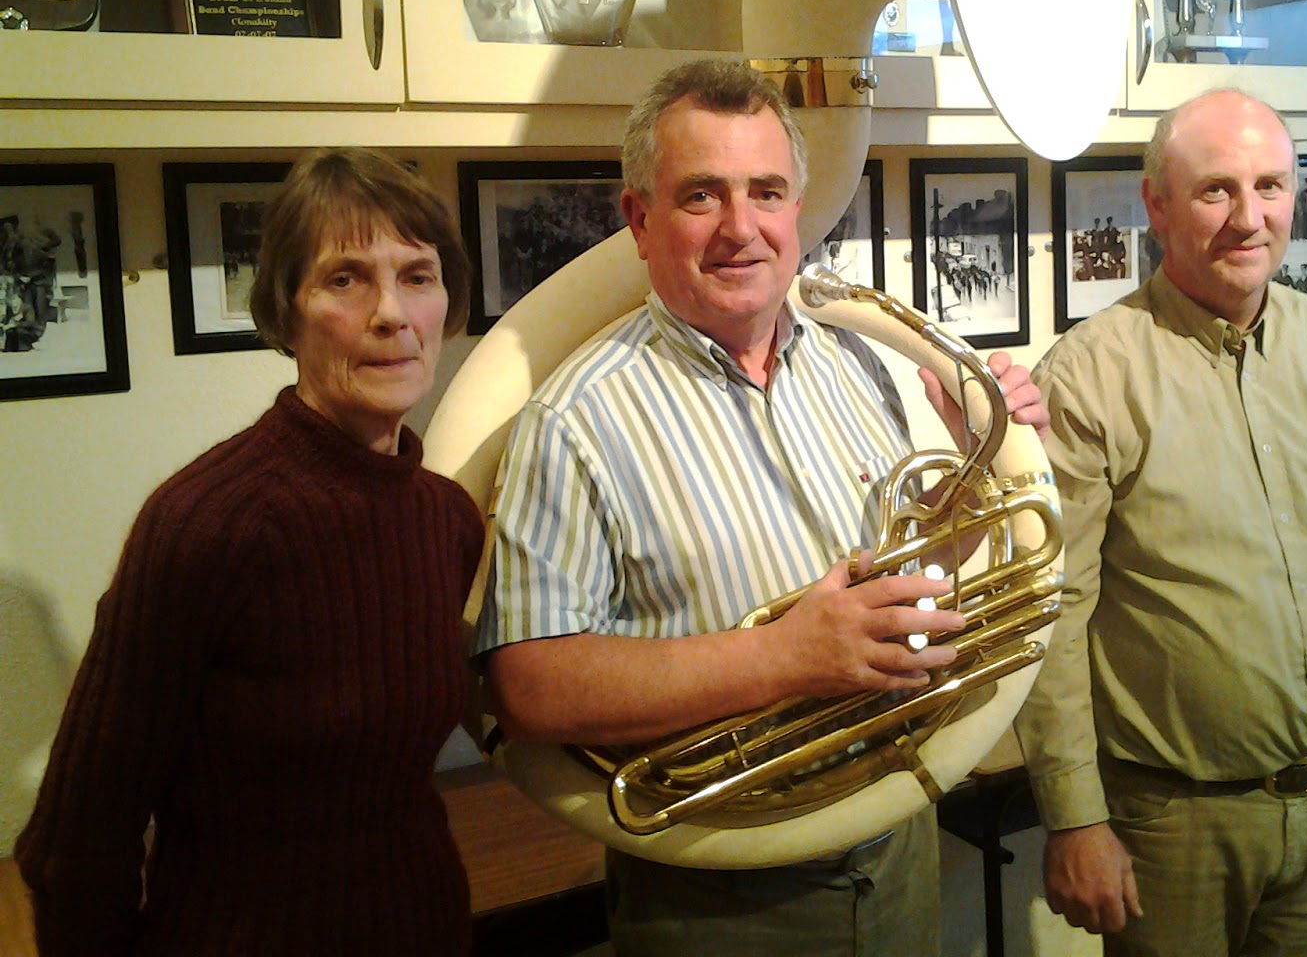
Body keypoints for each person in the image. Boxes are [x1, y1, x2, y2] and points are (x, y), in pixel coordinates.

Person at [474, 57, 1046, 956]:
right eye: (702, 195)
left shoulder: (857, 364)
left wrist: (980, 465)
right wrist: (781, 656)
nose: (742, 229)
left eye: (767, 192)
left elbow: (902, 570)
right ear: (640, 220)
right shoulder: (574, 420)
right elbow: (531, 685)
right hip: (718, 893)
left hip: (896, 843)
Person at [1015, 89, 1307, 956]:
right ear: (1156, 206)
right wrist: (1075, 819)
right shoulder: (1090, 376)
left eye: (1270, 186)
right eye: (1215, 189)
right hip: (1171, 824)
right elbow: (1054, 617)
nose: (1248, 218)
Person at [16, 148, 485, 956]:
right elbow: (74, 842)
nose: (391, 314)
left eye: (417, 275)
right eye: (345, 279)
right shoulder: (209, 523)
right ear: (284, 309)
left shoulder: (446, 517)